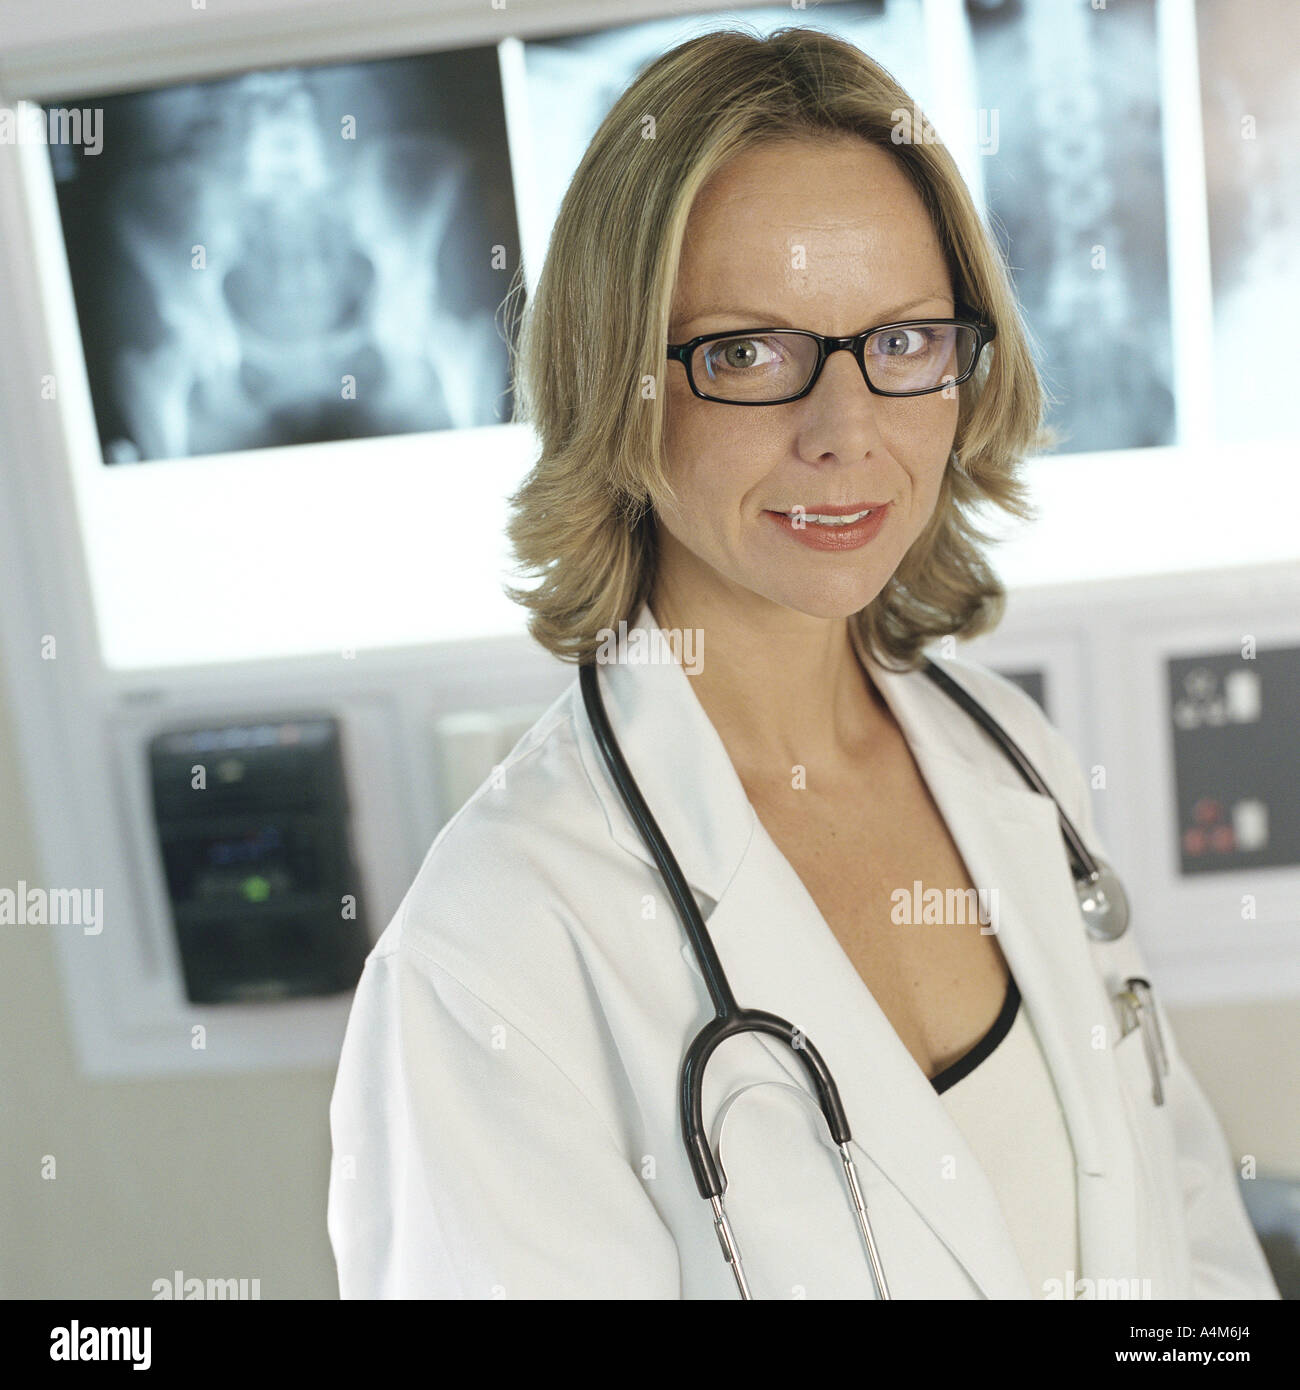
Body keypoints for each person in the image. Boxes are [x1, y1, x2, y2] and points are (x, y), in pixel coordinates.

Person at [327, 26, 1278, 1300]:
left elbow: (1187, 1235)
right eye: (745, 353)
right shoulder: (494, 950)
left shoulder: (1009, 760)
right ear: (616, 381)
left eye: (899, 343)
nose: (845, 432)